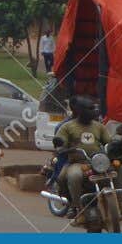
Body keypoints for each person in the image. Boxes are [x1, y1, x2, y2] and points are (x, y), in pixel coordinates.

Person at [51, 94, 114, 229]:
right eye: (89, 109)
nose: (93, 111)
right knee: (70, 177)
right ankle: (77, 208)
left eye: (93, 108)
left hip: (98, 162)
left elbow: (108, 142)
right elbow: (60, 141)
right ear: (80, 111)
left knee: (117, 170)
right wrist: (61, 145)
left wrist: (115, 145)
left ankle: (121, 204)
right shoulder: (67, 127)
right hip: (77, 162)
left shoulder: (99, 127)